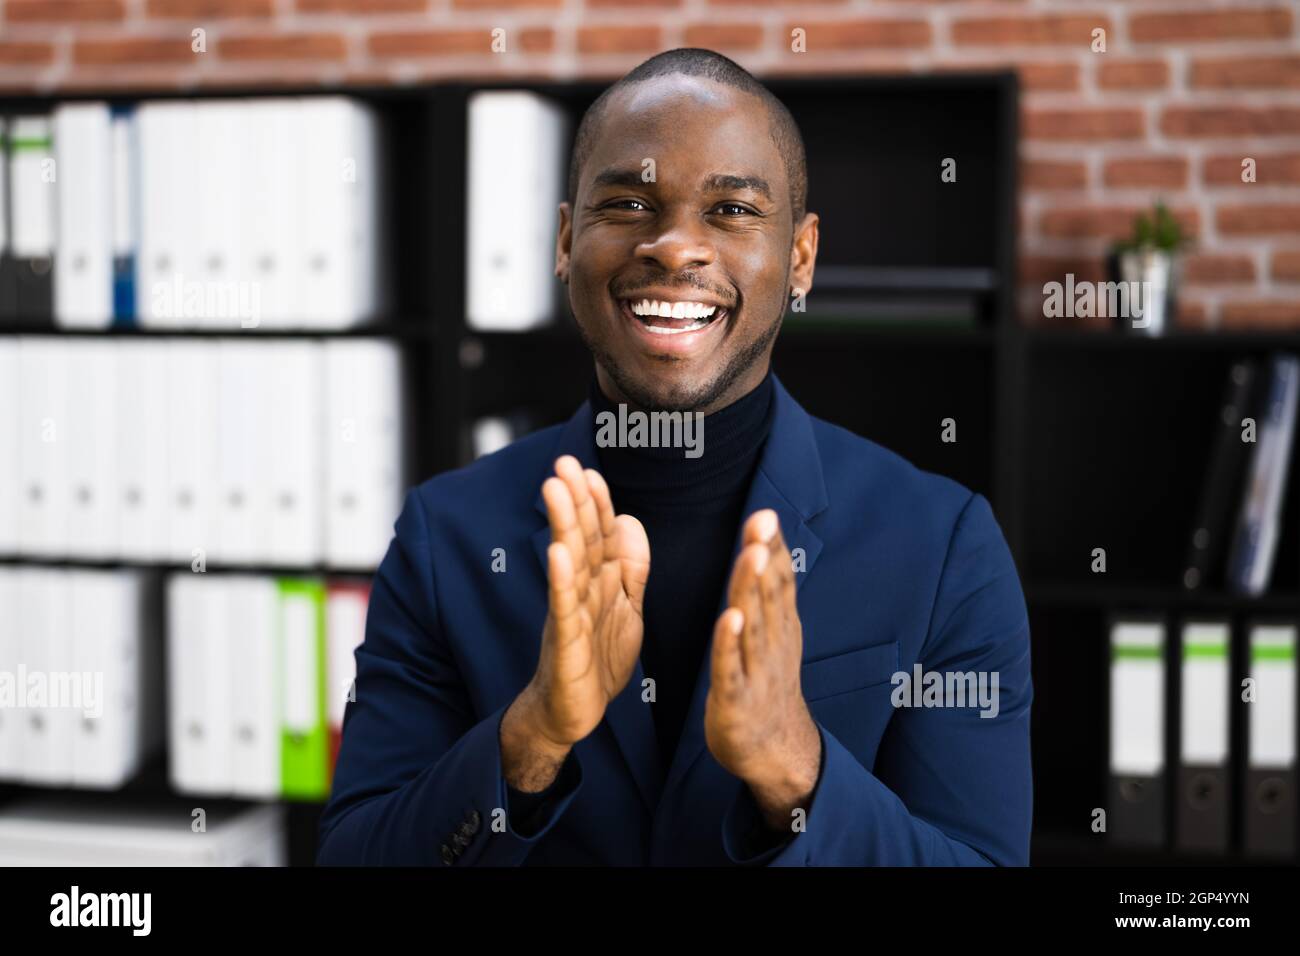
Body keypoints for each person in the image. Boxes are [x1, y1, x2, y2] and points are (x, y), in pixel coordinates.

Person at [316, 48, 1033, 866]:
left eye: (731, 211)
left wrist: (794, 769)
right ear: (565, 240)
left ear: (800, 258)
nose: (673, 247)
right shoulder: (443, 539)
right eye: (627, 202)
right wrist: (533, 738)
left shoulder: (946, 548)